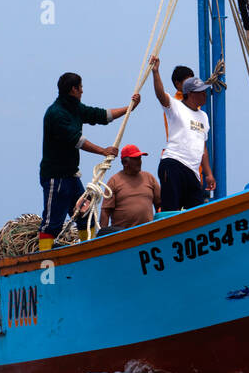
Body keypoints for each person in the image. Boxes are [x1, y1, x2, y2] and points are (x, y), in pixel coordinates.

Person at [38, 72, 136, 250]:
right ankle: (44, 258)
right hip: (56, 177)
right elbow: (77, 140)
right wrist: (103, 151)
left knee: (85, 215)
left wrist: (129, 108)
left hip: (71, 176)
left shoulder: (75, 107)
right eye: (80, 87)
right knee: (52, 223)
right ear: (73, 89)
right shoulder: (56, 114)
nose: (82, 91)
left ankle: (88, 251)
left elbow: (100, 115)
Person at [150, 56, 214, 210]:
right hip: (174, 164)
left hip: (193, 172)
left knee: (197, 212)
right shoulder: (176, 107)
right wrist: (156, 72)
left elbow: (203, 148)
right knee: (171, 209)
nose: (205, 95)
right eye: (201, 92)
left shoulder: (203, 116)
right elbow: (160, 95)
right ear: (190, 93)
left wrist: (208, 174)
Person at [99, 144, 161, 233]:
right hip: (123, 235)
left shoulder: (149, 177)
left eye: (140, 158)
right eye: (136, 159)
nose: (139, 162)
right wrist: (103, 235)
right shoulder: (114, 181)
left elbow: (160, 204)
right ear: (125, 162)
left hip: (147, 232)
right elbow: (105, 211)